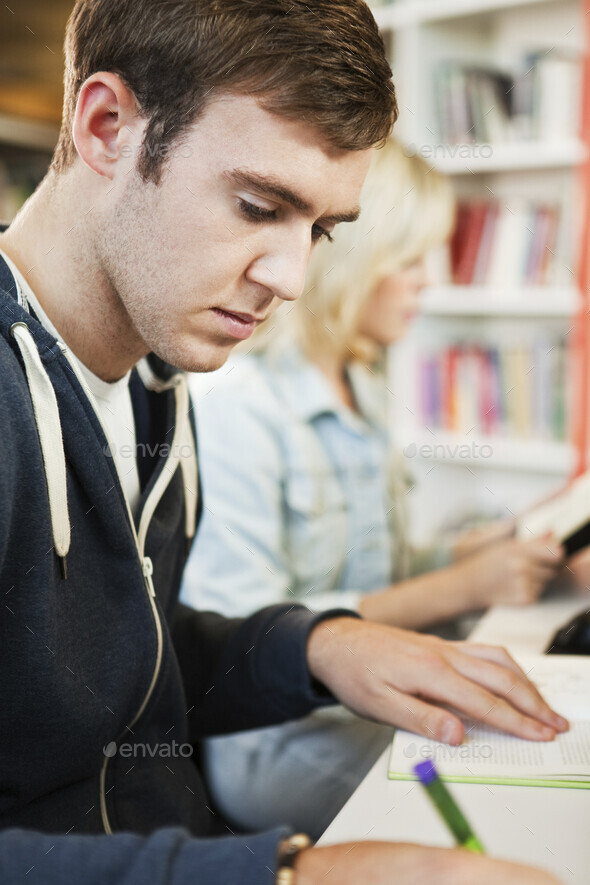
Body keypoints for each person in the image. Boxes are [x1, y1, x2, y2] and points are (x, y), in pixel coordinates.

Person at [0, 2, 567, 884]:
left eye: (322, 230)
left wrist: (313, 647)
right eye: (259, 206)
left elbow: (114, 668)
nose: (294, 279)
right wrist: (290, 876)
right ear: (107, 126)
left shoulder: (154, 380)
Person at [181, 139, 567, 838]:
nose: (429, 281)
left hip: (370, 701)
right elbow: (243, 638)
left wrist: (479, 552)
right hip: (284, 740)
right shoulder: (237, 405)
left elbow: (377, 567)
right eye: (410, 258)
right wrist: (464, 587)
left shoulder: (365, 382)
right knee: (493, 802)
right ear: (351, 259)